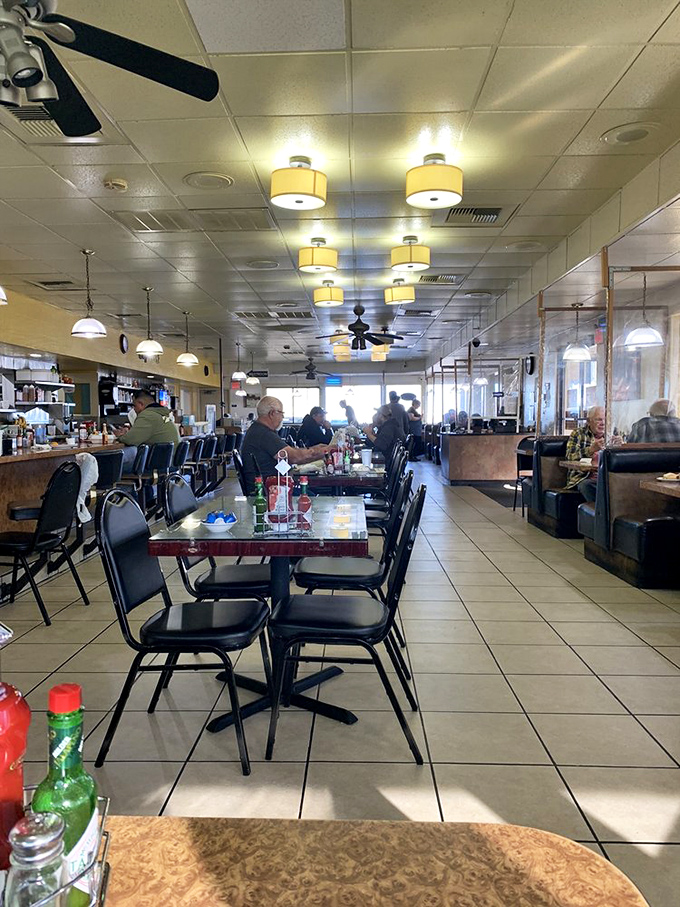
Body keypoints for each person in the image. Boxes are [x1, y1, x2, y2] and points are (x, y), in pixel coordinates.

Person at [240, 396, 333, 493]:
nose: (282, 417)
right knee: (313, 497)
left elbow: (285, 457)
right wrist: (330, 449)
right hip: (269, 491)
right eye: (281, 413)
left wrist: (316, 449)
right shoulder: (264, 434)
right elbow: (295, 457)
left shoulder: (258, 430)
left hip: (270, 485)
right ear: (272, 413)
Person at [113, 389, 180, 447]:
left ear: (141, 404)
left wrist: (119, 436)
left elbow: (130, 440)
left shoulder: (147, 415)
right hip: (170, 456)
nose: (134, 409)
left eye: (134, 406)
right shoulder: (161, 414)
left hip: (160, 457)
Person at [565, 405, 605, 501]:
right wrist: (590, 450)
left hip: (606, 477)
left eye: (605, 420)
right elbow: (570, 456)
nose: (603, 423)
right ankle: (599, 510)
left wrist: (620, 447)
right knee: (586, 485)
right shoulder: (578, 434)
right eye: (599, 420)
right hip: (584, 477)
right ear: (589, 421)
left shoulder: (611, 435)